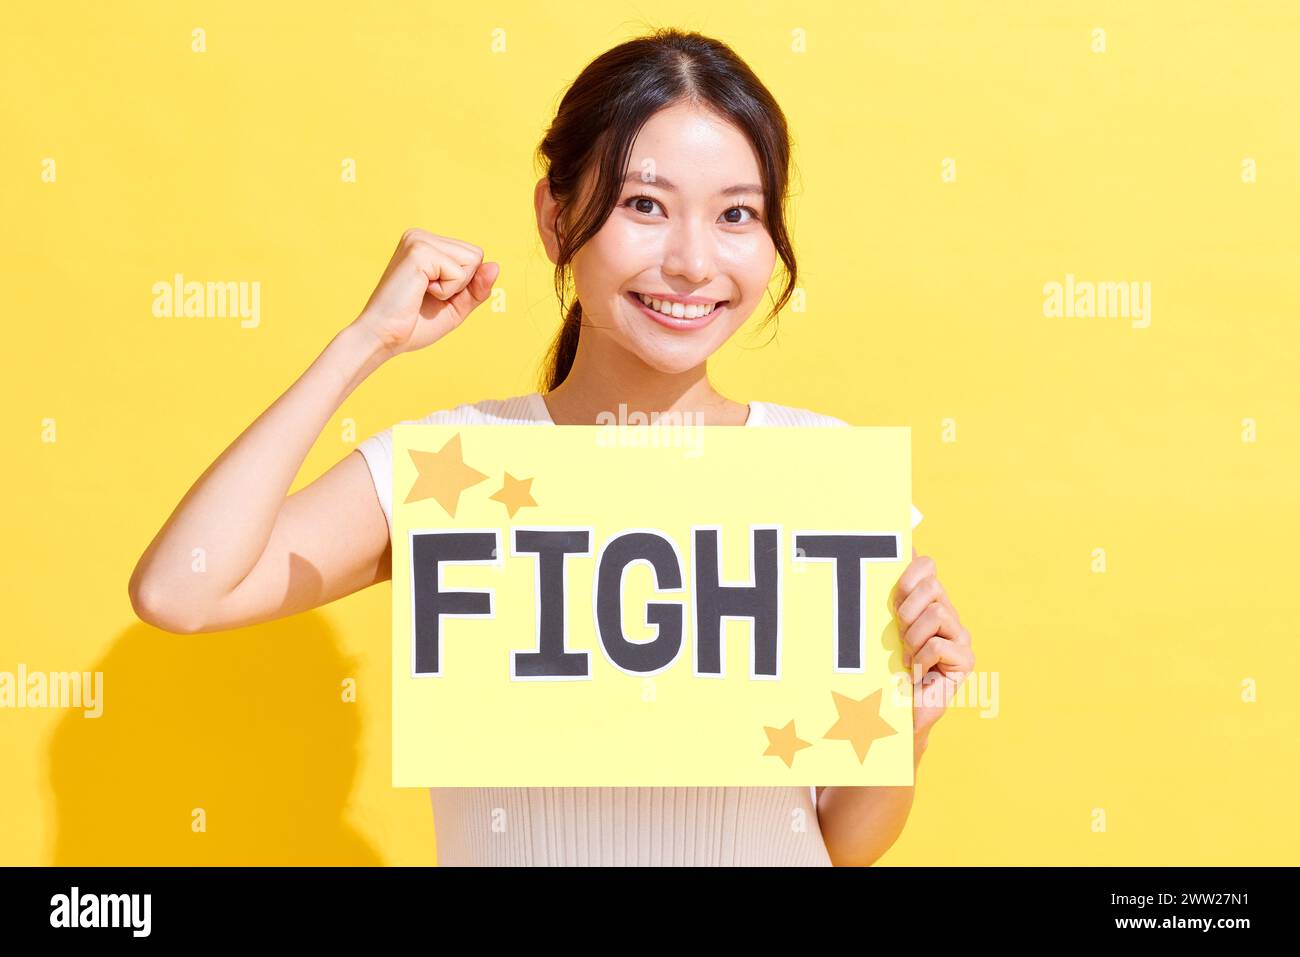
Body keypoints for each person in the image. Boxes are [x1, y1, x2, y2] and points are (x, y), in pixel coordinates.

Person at [128, 28, 975, 866]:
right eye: (645, 204)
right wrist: (363, 344)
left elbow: (840, 842)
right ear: (556, 215)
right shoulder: (457, 468)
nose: (690, 261)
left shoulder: (821, 474)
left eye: (737, 215)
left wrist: (906, 722)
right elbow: (180, 590)